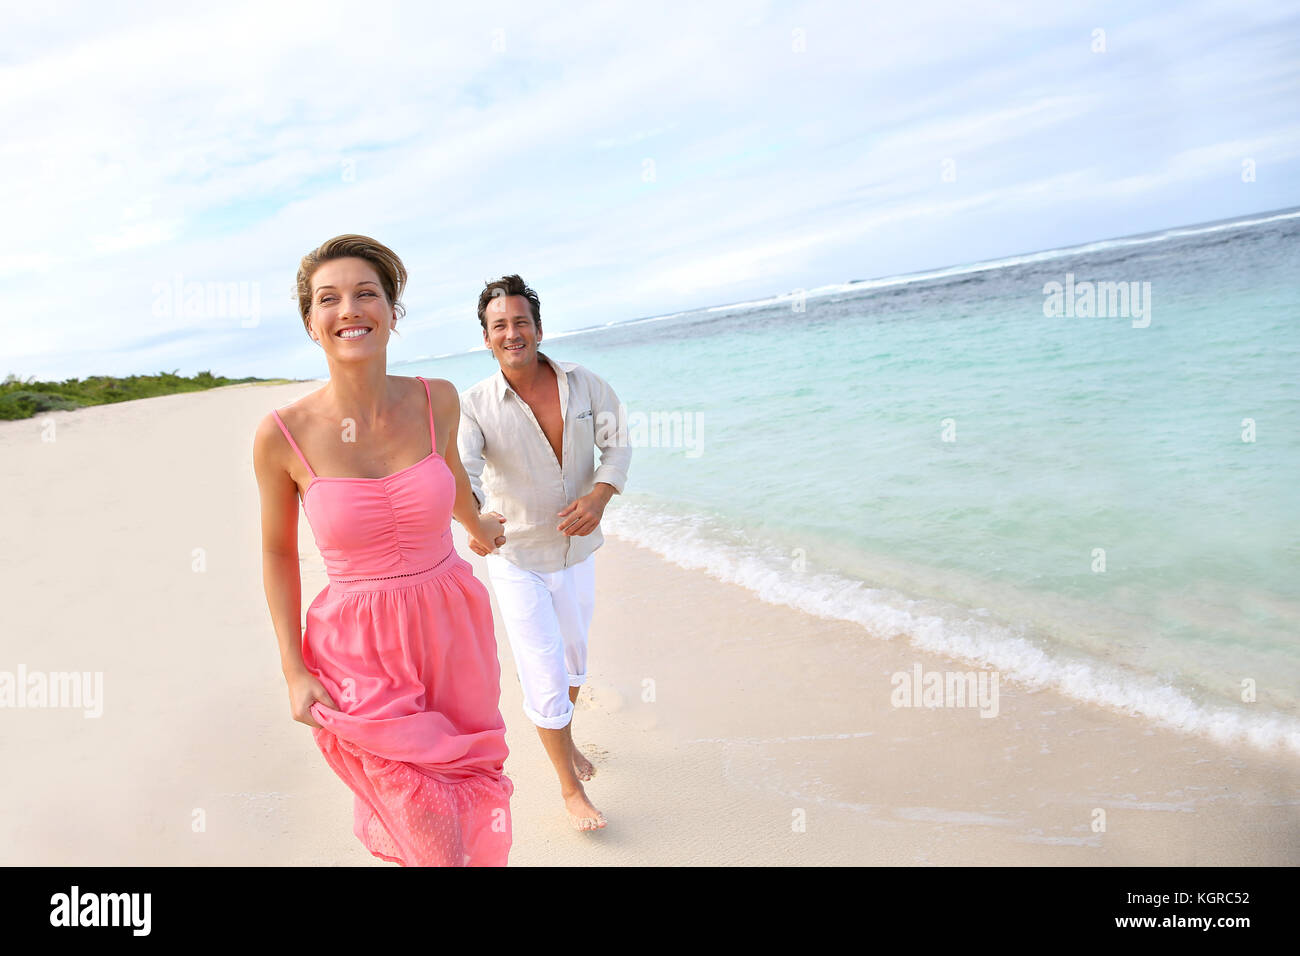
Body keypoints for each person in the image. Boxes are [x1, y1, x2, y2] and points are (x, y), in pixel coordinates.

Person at [252, 235, 514, 866]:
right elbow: (278, 554)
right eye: (329, 299)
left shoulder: (436, 399)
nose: (350, 308)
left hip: (452, 627)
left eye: (367, 292)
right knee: (421, 820)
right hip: (359, 646)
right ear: (312, 324)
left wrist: (480, 526)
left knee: (462, 792)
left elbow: (449, 477)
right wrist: (293, 669)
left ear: (393, 312)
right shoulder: (282, 434)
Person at [458, 275, 631, 831]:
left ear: (538, 327)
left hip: (579, 549)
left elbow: (618, 442)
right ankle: (569, 787)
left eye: (520, 322)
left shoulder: (586, 385)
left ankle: (567, 740)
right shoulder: (475, 404)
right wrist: (476, 518)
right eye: (499, 326)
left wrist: (601, 496)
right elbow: (462, 472)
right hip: (516, 558)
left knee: (575, 659)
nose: (512, 333)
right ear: (486, 338)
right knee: (543, 667)